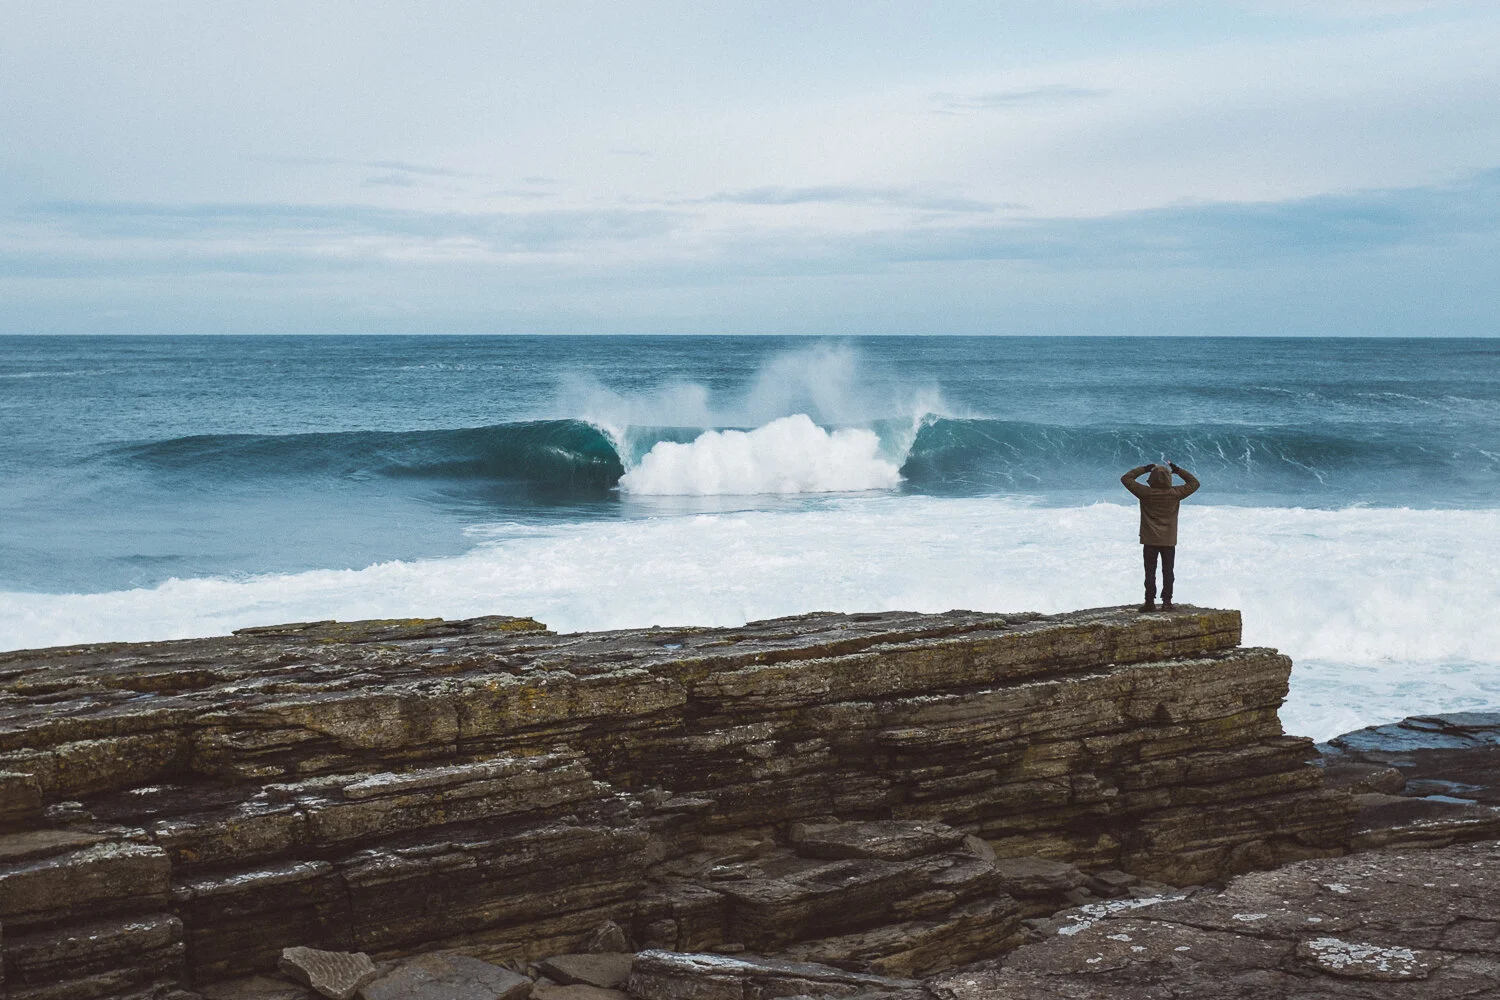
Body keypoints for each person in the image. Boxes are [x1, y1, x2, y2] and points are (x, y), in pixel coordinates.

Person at [1121, 461, 1200, 612]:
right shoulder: (1175, 493)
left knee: (1150, 572)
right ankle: (1167, 602)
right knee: (1168, 571)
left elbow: (1126, 479)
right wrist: (1178, 470)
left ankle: (1149, 602)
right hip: (1169, 540)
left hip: (1150, 539)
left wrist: (1145, 468)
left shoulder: (1145, 493)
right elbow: (1194, 483)